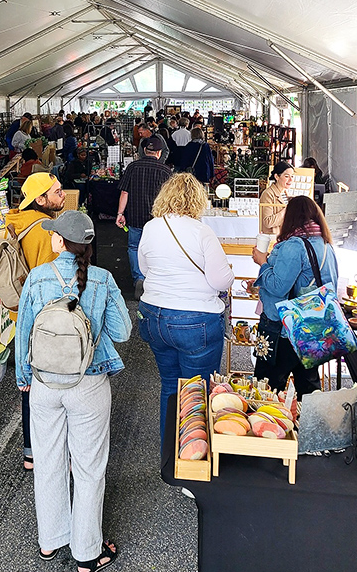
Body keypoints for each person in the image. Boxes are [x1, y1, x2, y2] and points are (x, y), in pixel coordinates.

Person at [15, 211, 131, 572]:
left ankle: (50, 539)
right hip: (89, 384)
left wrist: (23, 376)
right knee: (88, 468)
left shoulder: (37, 278)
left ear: (60, 242)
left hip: (45, 386)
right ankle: (86, 554)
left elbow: (23, 335)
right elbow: (123, 331)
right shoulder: (102, 280)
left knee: (47, 462)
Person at [137, 174, 234, 443]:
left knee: (170, 384)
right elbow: (220, 280)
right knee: (195, 391)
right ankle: (191, 461)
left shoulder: (151, 227)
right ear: (197, 200)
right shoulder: (202, 231)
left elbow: (145, 269)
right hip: (195, 320)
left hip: (154, 316)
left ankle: (168, 457)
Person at [5, 172, 66, 471]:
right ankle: (53, 450)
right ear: (40, 199)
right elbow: (52, 276)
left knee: (27, 386)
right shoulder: (46, 231)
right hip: (45, 317)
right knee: (52, 384)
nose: (62, 195)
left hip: (21, 315)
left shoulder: (14, 223)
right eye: (56, 192)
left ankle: (30, 452)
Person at [251, 195, 338, 397]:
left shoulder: (294, 245)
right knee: (307, 386)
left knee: (268, 386)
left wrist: (262, 263)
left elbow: (278, 286)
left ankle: (270, 426)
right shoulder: (326, 244)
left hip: (283, 327)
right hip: (313, 326)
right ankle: (307, 426)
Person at [117, 137, 172, 299]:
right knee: (157, 247)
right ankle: (153, 279)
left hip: (134, 216)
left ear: (144, 151)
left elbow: (124, 192)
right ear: (159, 152)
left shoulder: (133, 167)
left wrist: (120, 214)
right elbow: (169, 198)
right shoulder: (165, 171)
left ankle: (139, 278)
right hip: (157, 219)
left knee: (134, 247)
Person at [259, 161, 294, 236]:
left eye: (292, 176)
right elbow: (268, 222)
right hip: (273, 237)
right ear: (277, 177)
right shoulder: (268, 194)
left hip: (285, 236)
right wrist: (287, 210)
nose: (290, 180)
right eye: (287, 176)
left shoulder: (286, 193)